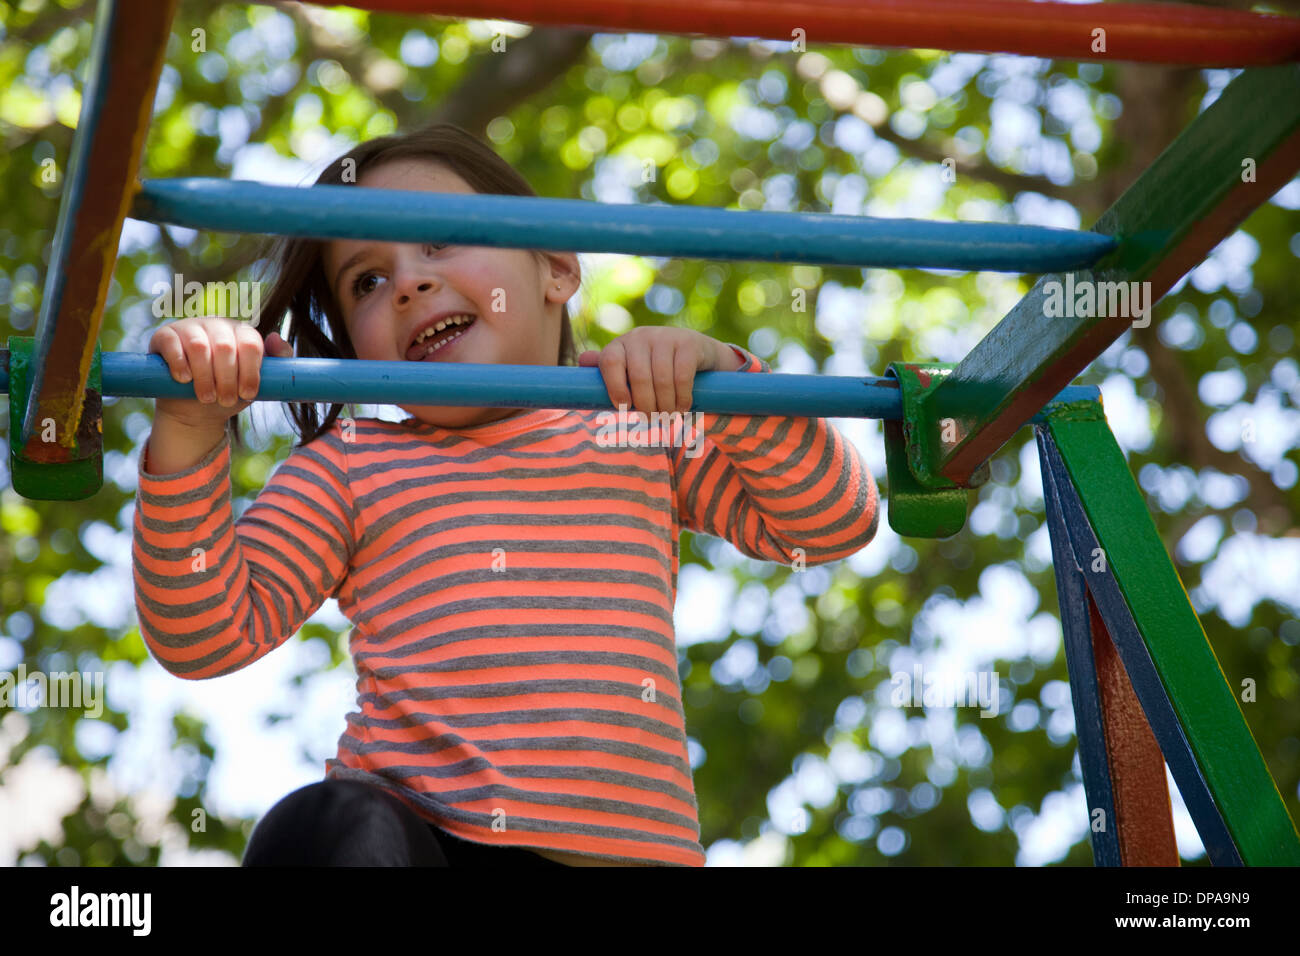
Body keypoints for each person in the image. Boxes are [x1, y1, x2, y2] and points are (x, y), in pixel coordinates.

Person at [131, 124, 881, 867]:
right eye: (367, 280)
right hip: (427, 843)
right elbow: (203, 637)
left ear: (554, 266)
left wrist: (722, 384)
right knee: (323, 825)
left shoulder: (633, 432)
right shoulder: (353, 466)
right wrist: (191, 433)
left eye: (440, 238)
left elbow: (832, 522)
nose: (409, 284)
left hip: (633, 855)